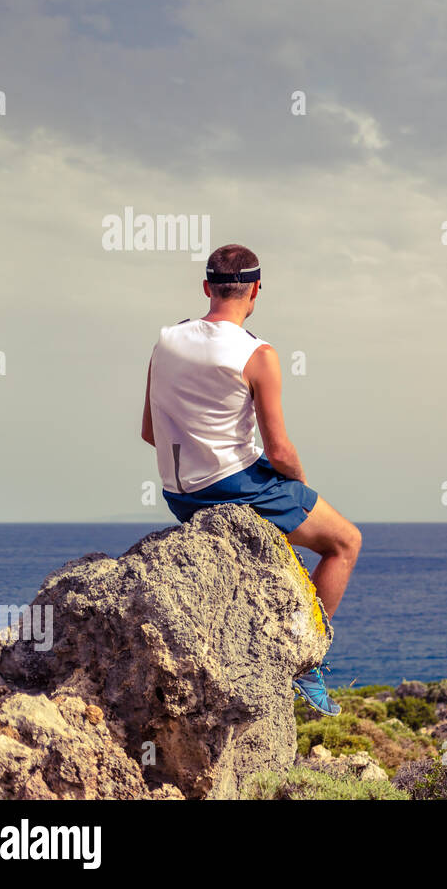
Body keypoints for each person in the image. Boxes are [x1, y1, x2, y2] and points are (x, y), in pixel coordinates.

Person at [140, 243, 360, 716]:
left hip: (178, 495)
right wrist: (297, 488)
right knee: (344, 542)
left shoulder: (166, 340)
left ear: (206, 288)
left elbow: (147, 433)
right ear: (256, 289)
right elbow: (279, 452)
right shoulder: (258, 354)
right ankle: (308, 660)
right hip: (234, 484)